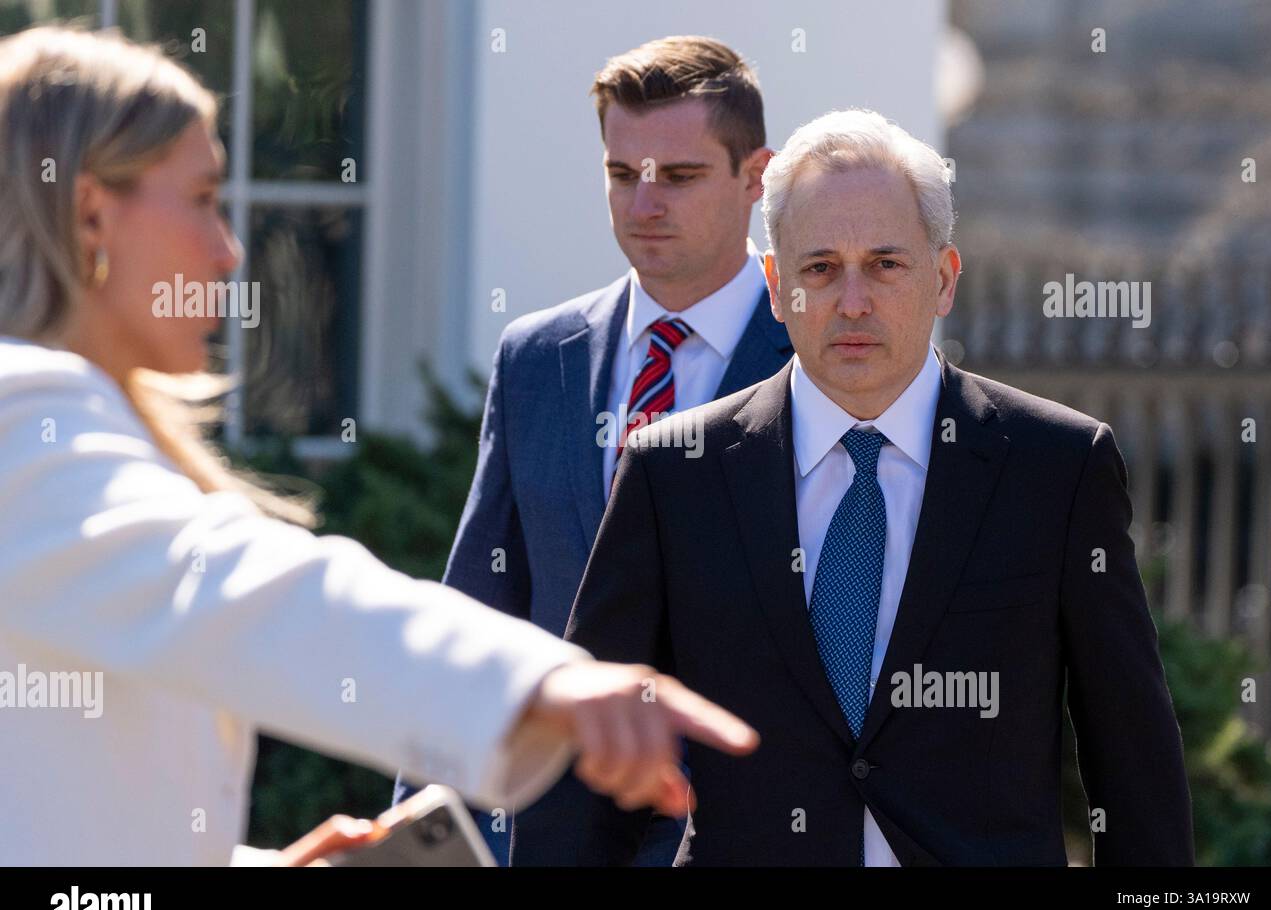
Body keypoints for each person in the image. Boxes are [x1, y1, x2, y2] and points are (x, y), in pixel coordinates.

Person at [0, 25, 757, 867]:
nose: (228, 251)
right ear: (93, 213)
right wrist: (541, 684)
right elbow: (242, 588)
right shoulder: (20, 413)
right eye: (205, 197)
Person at [511, 108, 1195, 866]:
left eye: (886, 264)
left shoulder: (1055, 466)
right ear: (776, 286)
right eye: (820, 268)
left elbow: (1130, 757)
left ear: (943, 279)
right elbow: (590, 755)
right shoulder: (675, 473)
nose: (854, 301)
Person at [394, 35, 792, 866]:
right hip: (552, 835)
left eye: (678, 177)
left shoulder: (819, 359)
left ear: (756, 177)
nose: (644, 204)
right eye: (622, 174)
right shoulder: (538, 357)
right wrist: (419, 835)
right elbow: (479, 607)